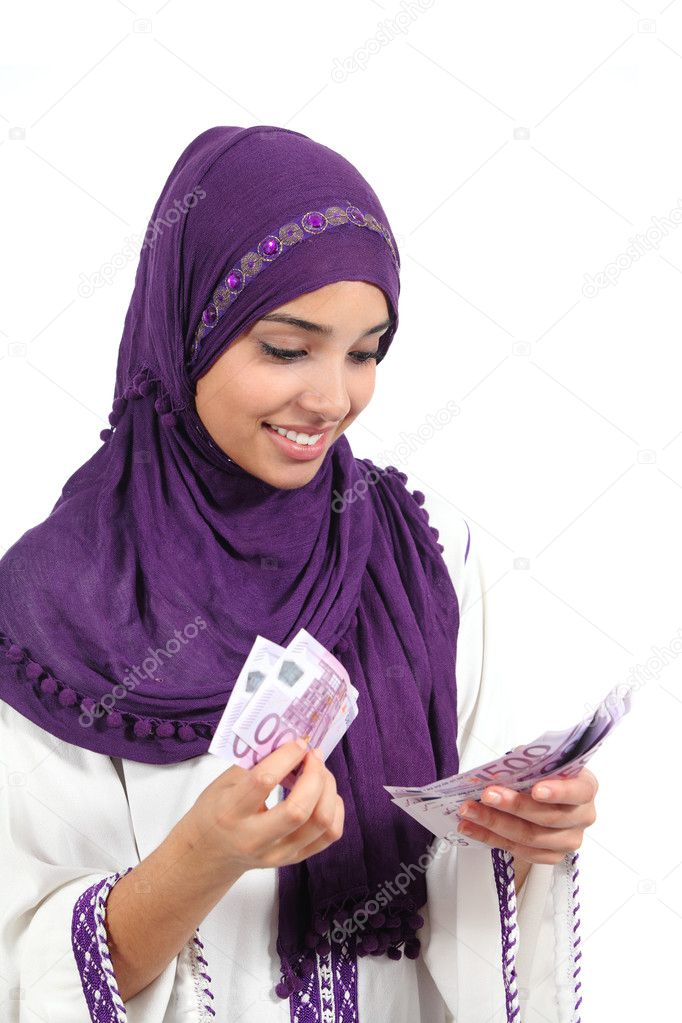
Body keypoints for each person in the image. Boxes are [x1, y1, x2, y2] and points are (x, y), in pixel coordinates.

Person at [0, 125, 598, 1022]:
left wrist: (522, 835)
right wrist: (203, 854)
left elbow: (467, 906)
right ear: (188, 327)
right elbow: (23, 969)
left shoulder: (428, 555)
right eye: (287, 348)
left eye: (365, 353)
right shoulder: (58, 606)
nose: (331, 400)